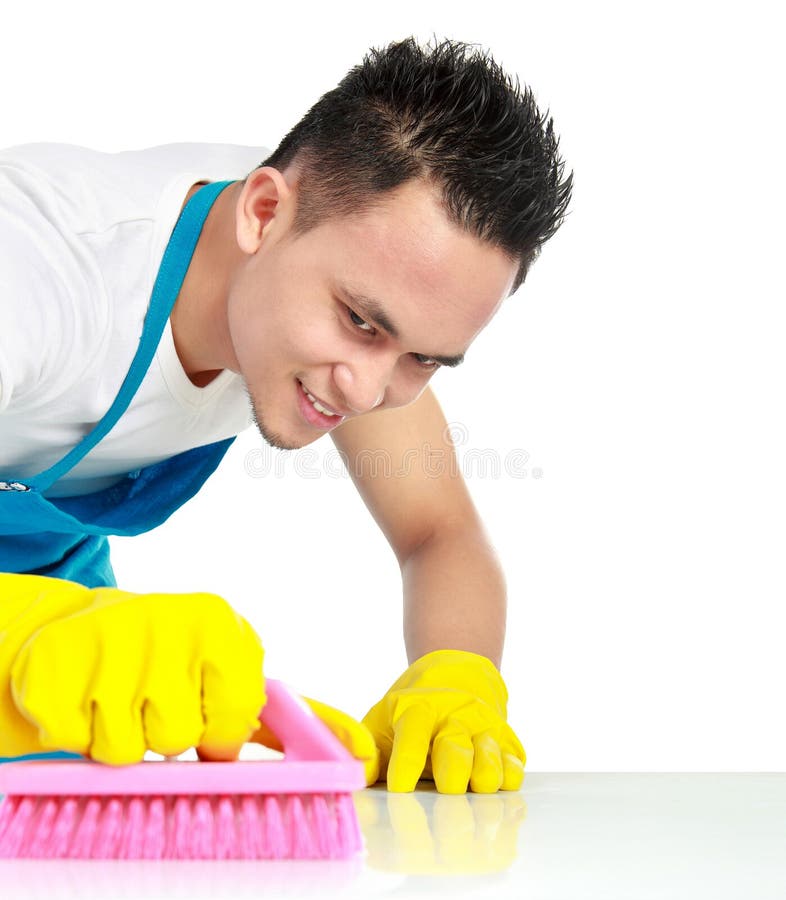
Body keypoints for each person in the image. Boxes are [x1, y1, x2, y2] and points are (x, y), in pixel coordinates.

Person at [0, 38, 572, 794]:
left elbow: (438, 531)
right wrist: (30, 630)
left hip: (54, 611)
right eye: (361, 322)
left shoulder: (352, 247)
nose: (367, 395)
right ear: (263, 212)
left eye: (424, 357)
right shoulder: (38, 270)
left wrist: (456, 679)